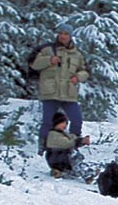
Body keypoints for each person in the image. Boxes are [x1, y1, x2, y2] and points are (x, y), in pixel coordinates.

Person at [31, 23, 89, 153]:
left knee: (77, 120)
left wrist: (78, 77)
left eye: (66, 34)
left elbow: (85, 71)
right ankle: (43, 146)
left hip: (69, 93)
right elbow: (33, 64)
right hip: (50, 92)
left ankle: (73, 145)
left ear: (70, 36)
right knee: (47, 122)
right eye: (61, 33)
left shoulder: (77, 54)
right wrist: (49, 60)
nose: (63, 36)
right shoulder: (47, 50)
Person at [44, 111, 89, 178]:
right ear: (57, 123)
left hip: (60, 159)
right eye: (63, 123)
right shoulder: (53, 135)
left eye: (66, 123)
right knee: (73, 154)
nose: (65, 125)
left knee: (73, 156)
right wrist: (79, 141)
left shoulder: (61, 133)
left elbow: (72, 138)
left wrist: (82, 140)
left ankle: (61, 172)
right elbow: (66, 144)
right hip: (56, 159)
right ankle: (87, 174)